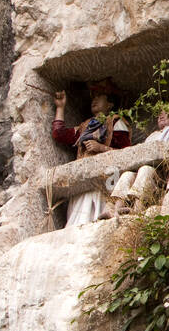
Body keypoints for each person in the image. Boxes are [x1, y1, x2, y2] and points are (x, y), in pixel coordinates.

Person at [52, 79, 131, 227]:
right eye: (93, 97)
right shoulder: (86, 126)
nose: (94, 100)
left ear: (110, 104)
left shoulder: (117, 123)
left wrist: (100, 148)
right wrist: (60, 107)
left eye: (99, 96)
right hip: (83, 179)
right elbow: (59, 134)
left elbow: (127, 153)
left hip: (104, 179)